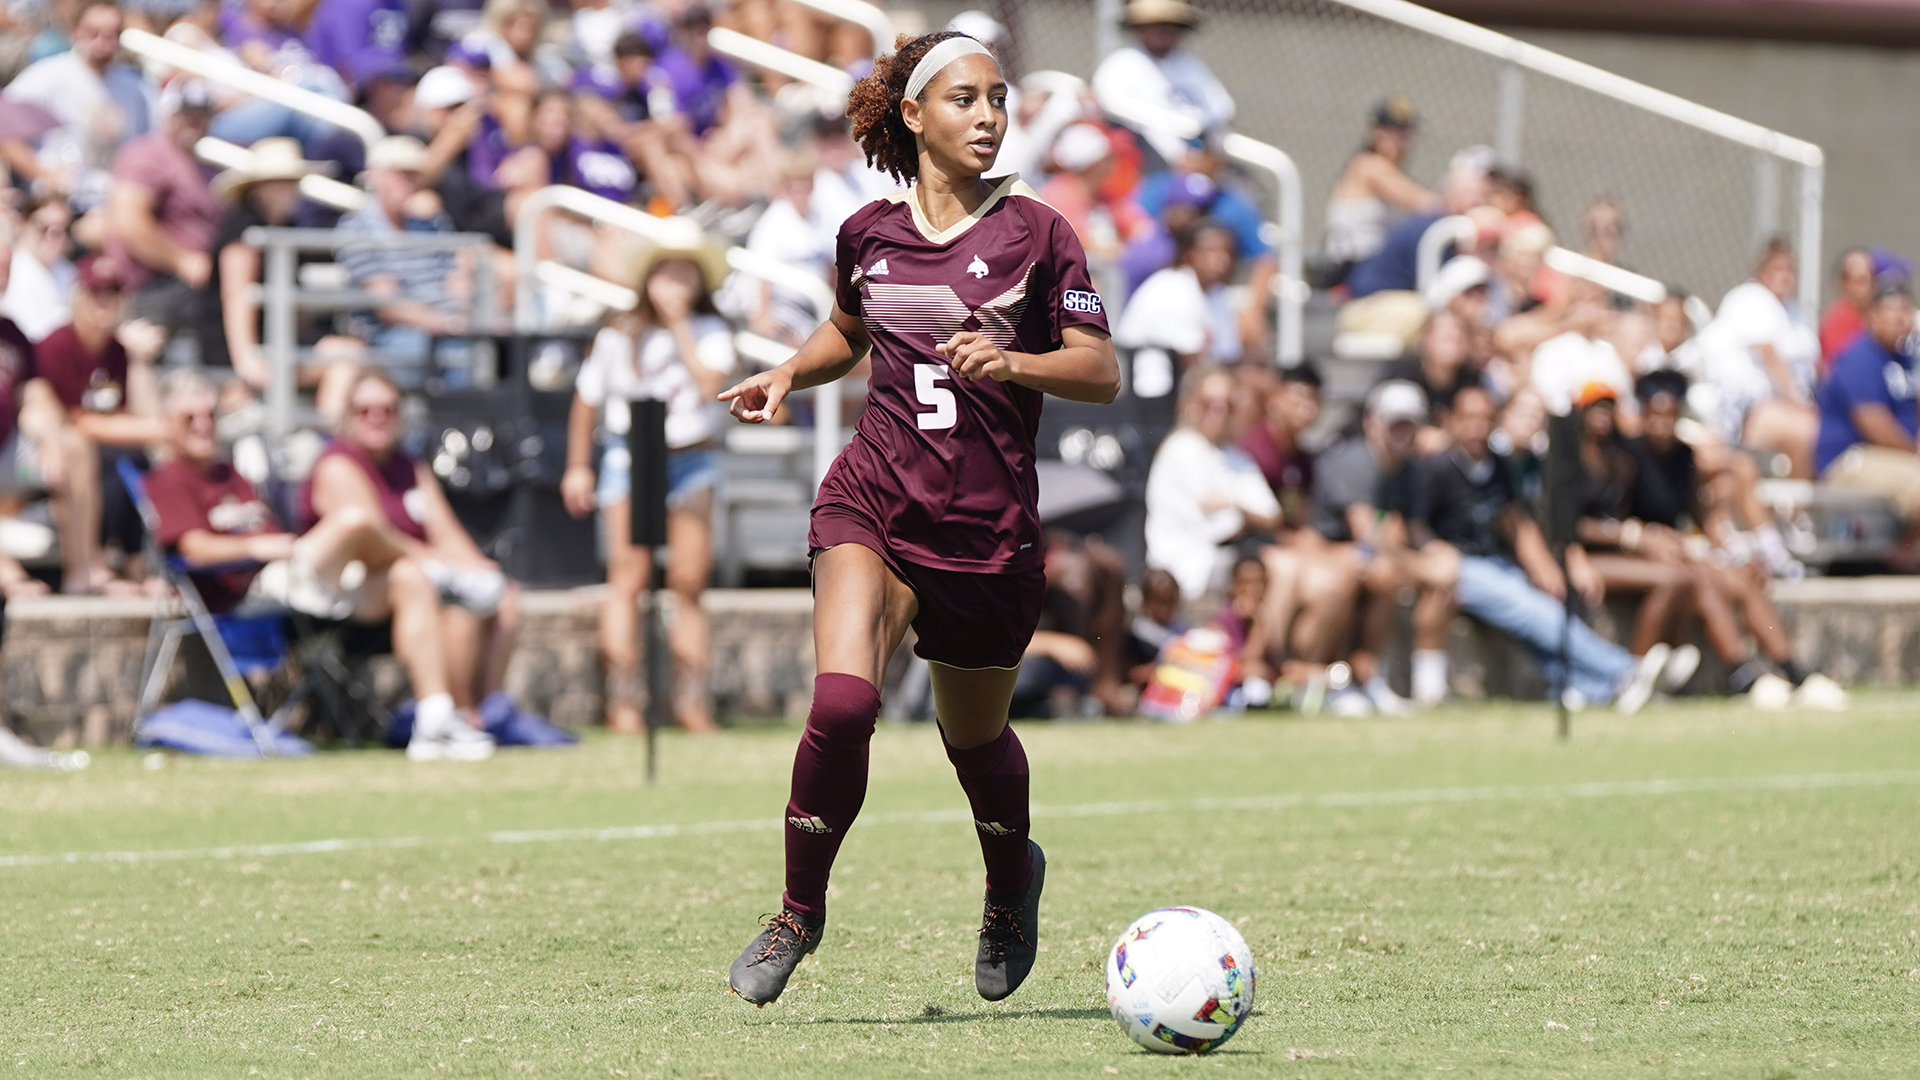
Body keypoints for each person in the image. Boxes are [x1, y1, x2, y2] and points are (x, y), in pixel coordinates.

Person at [714, 30, 1118, 1007]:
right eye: (965, 99)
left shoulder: (1037, 231)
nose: (987, 117)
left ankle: (1009, 881)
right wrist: (786, 372)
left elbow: (1101, 371)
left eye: (997, 101)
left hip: (986, 535)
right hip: (875, 501)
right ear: (914, 113)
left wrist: (1015, 363)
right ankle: (797, 914)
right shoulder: (866, 233)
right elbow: (851, 330)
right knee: (845, 703)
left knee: (974, 741)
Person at [141, 369, 513, 756]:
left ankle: (435, 720)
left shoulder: (230, 473)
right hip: (258, 588)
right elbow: (194, 548)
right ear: (167, 425)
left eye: (211, 417)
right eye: (190, 419)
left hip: (307, 586)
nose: (204, 427)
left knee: (408, 577)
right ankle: (443, 571)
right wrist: (256, 548)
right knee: (356, 519)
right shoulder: (169, 478)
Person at [1407, 384, 1693, 712]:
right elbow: (1413, 524)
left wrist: (1542, 566)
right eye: (1468, 419)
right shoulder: (1434, 467)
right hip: (1459, 566)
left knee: (1540, 617)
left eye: (1484, 419)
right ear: (1452, 421)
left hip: (1497, 563)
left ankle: (1600, 690)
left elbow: (1514, 521)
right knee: (1534, 614)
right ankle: (1627, 670)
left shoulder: (1497, 465)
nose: (1476, 428)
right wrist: (1433, 549)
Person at [562, 241, 734, 736]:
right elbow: (586, 400)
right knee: (629, 577)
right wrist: (578, 466)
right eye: (667, 275)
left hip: (690, 457)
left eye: (686, 275)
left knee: (689, 580)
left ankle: (691, 699)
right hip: (630, 457)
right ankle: (624, 701)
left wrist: (679, 325)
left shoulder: (711, 331)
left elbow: (708, 385)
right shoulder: (618, 334)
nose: (676, 286)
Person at [300, 369, 522, 753]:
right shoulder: (337, 464)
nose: (377, 417)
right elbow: (372, 537)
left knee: (495, 594)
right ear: (347, 417)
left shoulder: (410, 466)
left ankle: (478, 713)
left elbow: (445, 530)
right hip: (345, 597)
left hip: (412, 586)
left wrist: (476, 569)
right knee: (413, 577)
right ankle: (437, 718)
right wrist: (441, 565)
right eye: (365, 410)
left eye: (387, 409)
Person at [1622, 372, 1845, 709]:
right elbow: (1619, 515)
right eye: (1654, 416)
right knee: (1704, 579)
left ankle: (1793, 670)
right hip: (1641, 554)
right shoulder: (1627, 456)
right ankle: (1743, 675)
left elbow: (1697, 512)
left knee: (1743, 577)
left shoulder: (1683, 456)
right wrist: (1649, 538)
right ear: (1642, 414)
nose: (1661, 426)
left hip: (1679, 551)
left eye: (1669, 417)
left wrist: (1730, 551)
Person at [1301, 380, 1448, 714]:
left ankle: (1424, 684)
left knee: (1434, 573)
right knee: (1379, 573)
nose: (1401, 431)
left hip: (1364, 556)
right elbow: (1367, 534)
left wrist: (1437, 553)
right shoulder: (1354, 461)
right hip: (1325, 553)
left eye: (1408, 424)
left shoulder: (1409, 467)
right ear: (1372, 422)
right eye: (1394, 422)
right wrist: (1421, 564)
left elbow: (1412, 528)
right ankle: (1347, 681)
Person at [30, 255, 168, 588]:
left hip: (111, 444)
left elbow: (145, 415)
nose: (105, 303)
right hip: (55, 452)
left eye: (113, 294)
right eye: (96, 293)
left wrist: (138, 361)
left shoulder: (118, 351)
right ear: (79, 296)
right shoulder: (57, 345)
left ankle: (138, 564)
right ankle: (110, 562)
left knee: (139, 460)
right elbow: (77, 421)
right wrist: (159, 430)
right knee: (112, 462)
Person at [201, 138, 366, 404]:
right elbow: (236, 296)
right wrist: (246, 361)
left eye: (292, 181)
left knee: (352, 357)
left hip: (277, 345)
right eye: (281, 181)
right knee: (346, 359)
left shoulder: (283, 227)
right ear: (259, 187)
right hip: (242, 353)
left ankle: (333, 436)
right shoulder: (244, 228)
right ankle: (331, 437)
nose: (291, 189)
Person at [335, 136, 474, 382]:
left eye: (413, 175)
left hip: (444, 329)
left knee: (483, 346)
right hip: (392, 337)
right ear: (376, 176)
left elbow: (457, 277)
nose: (409, 183)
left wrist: (462, 311)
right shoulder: (356, 227)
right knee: (440, 350)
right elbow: (387, 306)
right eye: (400, 173)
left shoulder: (432, 223)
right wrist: (448, 323)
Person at [1143, 365, 1278, 601]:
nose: (1219, 410)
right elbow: (1215, 528)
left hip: (1225, 556)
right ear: (1191, 403)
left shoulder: (1236, 457)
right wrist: (1244, 512)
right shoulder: (1180, 450)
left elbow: (1272, 515)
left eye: (1227, 403)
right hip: (1188, 566)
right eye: (1209, 402)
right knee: (1278, 569)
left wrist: (1233, 505)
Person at [0, 0, 150, 207]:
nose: (103, 42)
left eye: (111, 34)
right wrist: (41, 172)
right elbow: (4, 127)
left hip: (113, 200)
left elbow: (145, 146)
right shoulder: (48, 75)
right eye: (94, 33)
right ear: (75, 32)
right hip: (59, 202)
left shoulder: (134, 87)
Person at [105, 82, 222, 340]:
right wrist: (183, 261)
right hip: (152, 285)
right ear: (169, 115)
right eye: (186, 114)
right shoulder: (146, 154)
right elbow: (129, 223)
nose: (194, 122)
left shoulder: (204, 163)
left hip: (190, 286)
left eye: (201, 115)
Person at [1695, 239, 1820, 477]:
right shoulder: (1750, 298)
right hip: (1744, 413)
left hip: (1781, 407)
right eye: (1777, 269)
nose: (1785, 276)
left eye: (1790, 270)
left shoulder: (1793, 311)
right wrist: (1801, 402)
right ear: (1761, 271)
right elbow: (1769, 355)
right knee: (1809, 430)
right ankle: (1798, 509)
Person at [1815, 276, 1920, 540]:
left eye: (1904, 312)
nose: (1900, 319)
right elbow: (1874, 424)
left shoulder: (1904, 359)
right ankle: (1903, 551)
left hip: (1892, 456)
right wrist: (1914, 452)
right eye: (1892, 312)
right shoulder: (1860, 356)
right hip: (1850, 459)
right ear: (1873, 316)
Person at [1091, 0, 1234, 168]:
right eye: (1156, 25)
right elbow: (1117, 115)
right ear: (1139, 27)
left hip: (1198, 151)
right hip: (1143, 160)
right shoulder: (1122, 64)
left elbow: (1221, 109)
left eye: (1171, 25)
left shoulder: (1190, 65)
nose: (1165, 31)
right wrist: (1178, 156)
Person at [1113, 218, 1243, 372]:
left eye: (1227, 252)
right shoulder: (1170, 287)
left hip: (1184, 383)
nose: (1222, 260)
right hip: (1146, 387)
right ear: (1188, 254)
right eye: (1210, 251)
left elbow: (1229, 356)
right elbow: (1191, 361)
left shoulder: (1218, 294)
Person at [1324, 95, 1436, 268]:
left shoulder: (1390, 171)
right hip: (1353, 268)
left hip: (1372, 265)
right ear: (1376, 132)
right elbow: (1427, 204)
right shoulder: (1370, 165)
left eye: (1406, 134)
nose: (1401, 142)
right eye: (1394, 133)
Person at [1818, 248, 1873, 370]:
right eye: (1861, 281)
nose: (1869, 287)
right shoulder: (1837, 321)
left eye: (1872, 279)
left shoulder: (1870, 316)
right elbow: (1836, 370)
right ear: (1844, 282)